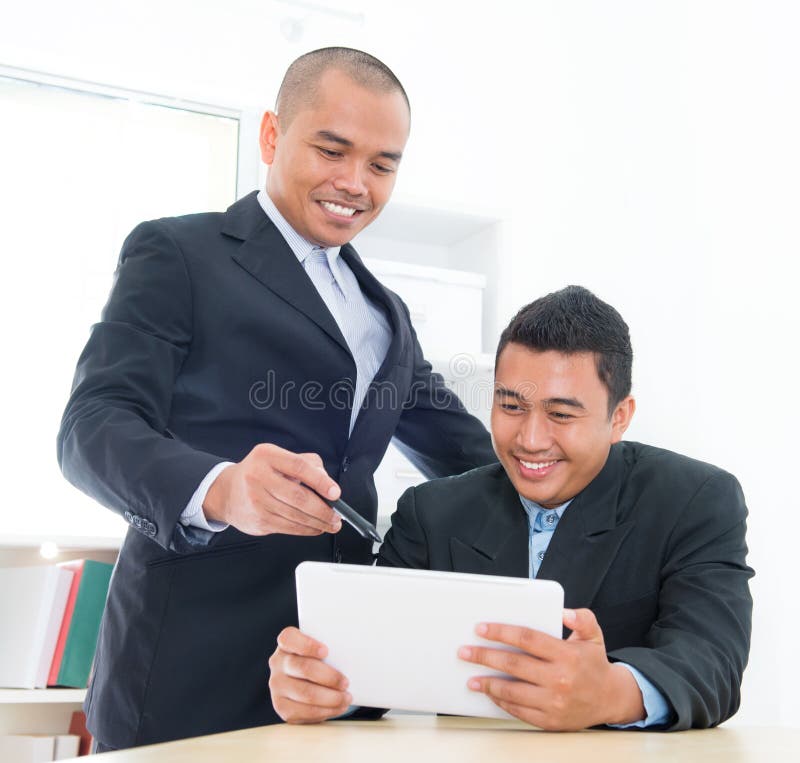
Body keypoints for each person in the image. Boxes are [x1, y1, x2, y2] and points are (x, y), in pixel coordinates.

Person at [56, 47, 495, 750]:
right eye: (332, 149)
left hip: (340, 675)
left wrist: (613, 487)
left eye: (383, 164)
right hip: (190, 664)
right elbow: (92, 425)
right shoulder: (180, 253)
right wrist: (224, 488)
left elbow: (473, 458)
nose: (355, 182)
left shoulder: (389, 316)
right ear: (271, 135)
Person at [269, 285, 753, 731]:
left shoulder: (694, 499)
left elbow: (711, 661)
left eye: (562, 414)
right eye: (511, 406)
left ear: (618, 417)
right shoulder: (431, 512)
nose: (530, 440)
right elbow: (371, 663)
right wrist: (320, 686)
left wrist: (612, 693)